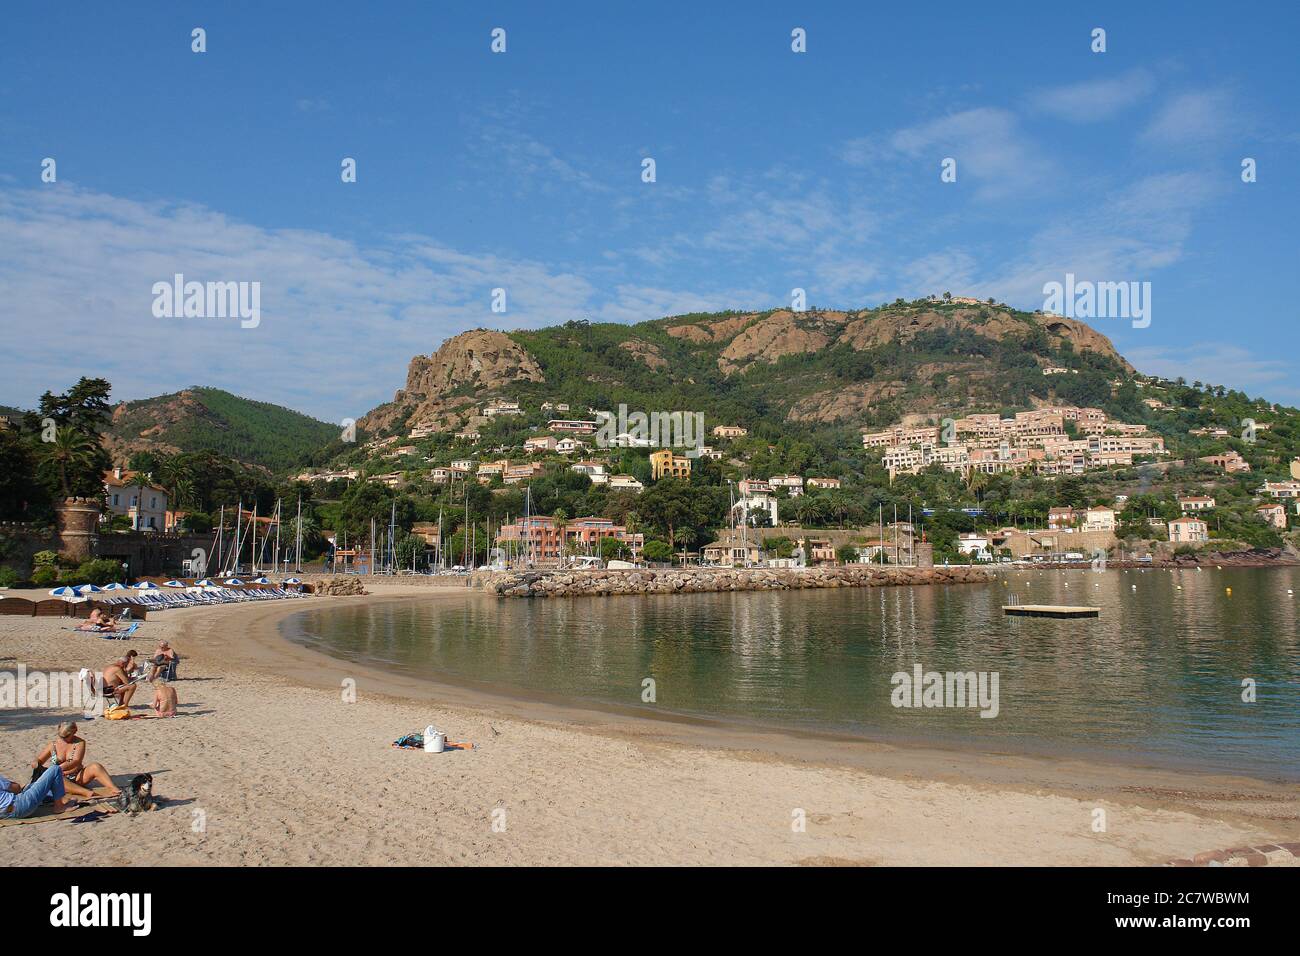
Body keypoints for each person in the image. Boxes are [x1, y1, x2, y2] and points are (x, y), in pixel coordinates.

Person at [33, 722, 119, 799]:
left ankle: (113, 788)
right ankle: (86, 792)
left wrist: (58, 768)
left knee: (96, 767)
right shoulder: (53, 745)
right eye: (61, 736)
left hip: (77, 776)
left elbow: (76, 761)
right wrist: (36, 763)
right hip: (61, 778)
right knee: (54, 777)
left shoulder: (79, 743)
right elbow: (40, 760)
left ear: (74, 732)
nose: (63, 739)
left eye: (66, 736)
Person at [1, 760, 76, 819]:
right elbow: (16, 788)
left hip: (4, 814)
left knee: (32, 786)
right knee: (55, 769)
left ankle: (57, 798)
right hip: (20, 806)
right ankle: (59, 806)